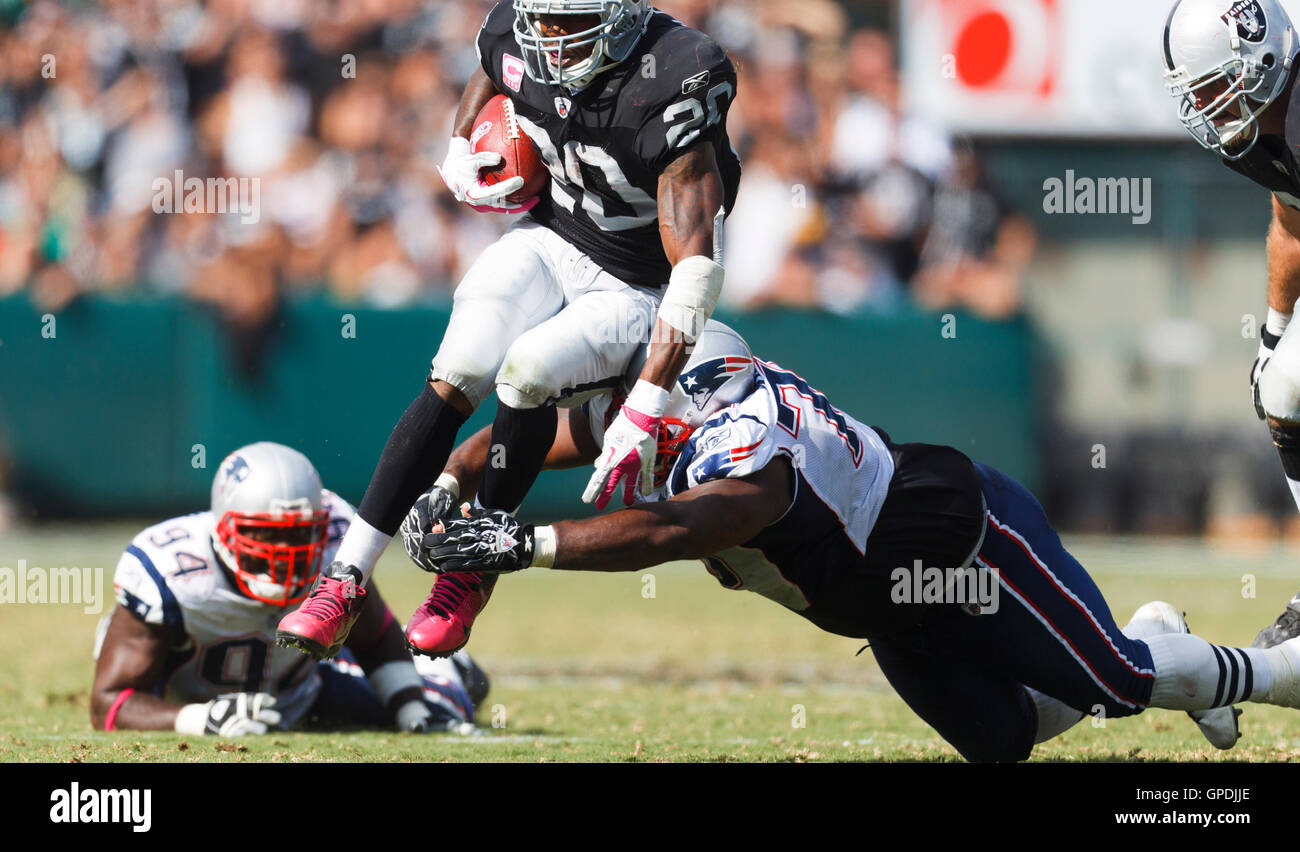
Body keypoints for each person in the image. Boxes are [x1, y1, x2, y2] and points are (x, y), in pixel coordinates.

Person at [399, 322, 1269, 761]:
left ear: (694, 403)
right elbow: (527, 440)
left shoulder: (747, 445)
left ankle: (1272, 670)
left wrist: (523, 544)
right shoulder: (683, 409)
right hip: (883, 602)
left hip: (964, 544)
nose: (622, 421)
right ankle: (1153, 634)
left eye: (644, 406)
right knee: (1001, 742)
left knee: (1121, 682)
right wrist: (450, 482)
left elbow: (678, 527)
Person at [277, 0, 740, 663]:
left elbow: (696, 268)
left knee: (528, 372)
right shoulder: (516, 35)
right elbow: (494, 71)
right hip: (553, 236)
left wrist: (647, 400)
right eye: (542, 22)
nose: (551, 41)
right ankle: (345, 579)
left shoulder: (676, 76)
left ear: (623, 15)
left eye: (570, 24)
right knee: (460, 366)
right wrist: (460, 143)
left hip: (638, 280)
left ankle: (469, 572)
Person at [91, 442, 486, 737]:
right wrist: (198, 718)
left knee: (445, 706)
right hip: (189, 697)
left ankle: (452, 667)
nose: (283, 555)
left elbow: (375, 634)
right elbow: (109, 701)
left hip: (303, 689)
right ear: (223, 529)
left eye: (297, 535)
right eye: (265, 535)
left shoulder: (338, 543)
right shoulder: (169, 572)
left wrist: (410, 708)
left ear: (320, 526)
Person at [1162, 0, 1300, 646]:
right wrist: (1273, 336)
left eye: (1214, 85)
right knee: (1283, 385)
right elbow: (1292, 225)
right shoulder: (1269, 134)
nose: (1205, 105)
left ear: (1260, 57)